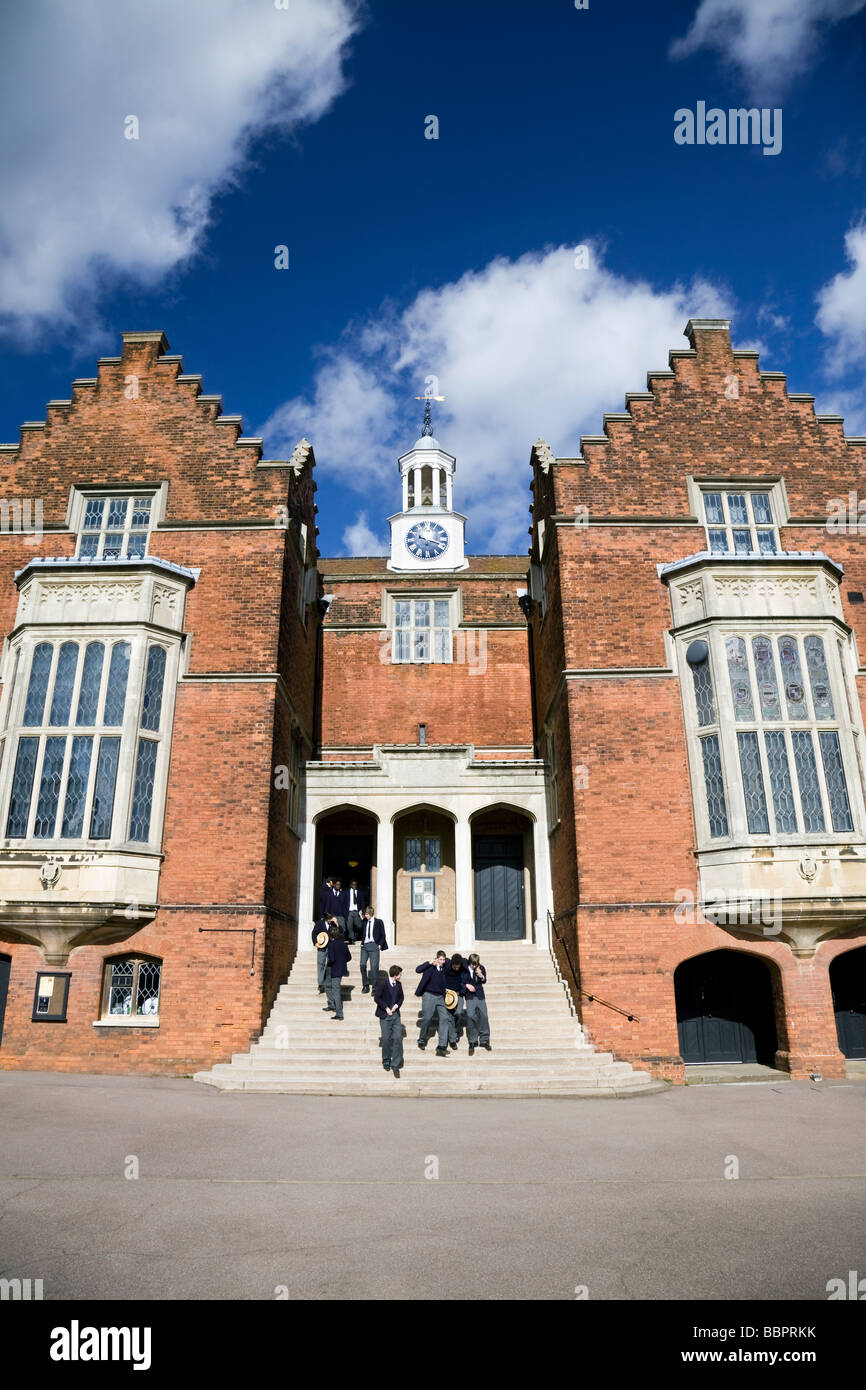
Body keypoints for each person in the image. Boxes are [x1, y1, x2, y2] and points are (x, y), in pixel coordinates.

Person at [415, 951, 450, 1056]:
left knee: (444, 1018)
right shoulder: (430, 967)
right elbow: (417, 970)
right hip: (429, 995)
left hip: (440, 997)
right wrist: (429, 963)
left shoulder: (444, 968)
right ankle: (422, 1039)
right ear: (436, 959)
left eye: (444, 960)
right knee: (427, 1017)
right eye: (440, 960)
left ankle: (441, 1046)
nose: (442, 962)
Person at [374, 965, 404, 1078]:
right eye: (400, 974)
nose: (401, 976)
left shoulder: (399, 985)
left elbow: (401, 998)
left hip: (395, 1015)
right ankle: (386, 1060)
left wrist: (396, 1005)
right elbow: (377, 998)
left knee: (397, 1037)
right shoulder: (383, 984)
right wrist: (386, 1008)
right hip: (385, 1015)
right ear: (395, 975)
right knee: (386, 1038)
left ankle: (395, 1064)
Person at [323, 923, 351, 1020]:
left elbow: (332, 958)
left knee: (335, 991)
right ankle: (332, 1005)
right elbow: (349, 957)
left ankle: (339, 1013)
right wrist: (341, 961)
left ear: (330, 935)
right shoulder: (343, 944)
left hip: (333, 968)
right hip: (340, 968)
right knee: (327, 985)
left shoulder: (331, 944)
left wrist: (331, 960)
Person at [464, 953, 490, 1054]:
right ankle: (473, 1041)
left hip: (479, 995)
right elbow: (460, 981)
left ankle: (484, 1040)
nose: (474, 966)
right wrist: (467, 985)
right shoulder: (465, 969)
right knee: (470, 1016)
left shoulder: (481, 967)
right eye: (473, 964)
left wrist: (481, 975)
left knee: (484, 1016)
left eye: (476, 964)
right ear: (470, 962)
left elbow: (484, 980)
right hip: (470, 996)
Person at [443, 952, 469, 1050]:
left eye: (458, 967)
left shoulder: (463, 965)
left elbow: (469, 961)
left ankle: (456, 1031)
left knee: (459, 1012)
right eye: (455, 967)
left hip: (459, 994)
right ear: (452, 964)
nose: (457, 969)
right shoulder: (447, 967)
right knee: (450, 1016)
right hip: (448, 995)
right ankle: (452, 1040)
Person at [359, 904, 388, 992]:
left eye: (366, 914)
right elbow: (362, 931)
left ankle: (374, 987)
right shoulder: (364, 921)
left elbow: (383, 935)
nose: (365, 915)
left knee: (374, 966)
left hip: (374, 945)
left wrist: (380, 944)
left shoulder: (379, 922)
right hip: (365, 946)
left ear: (370, 914)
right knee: (362, 964)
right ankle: (365, 985)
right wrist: (362, 942)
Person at [311, 915, 335, 993]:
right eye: (329, 919)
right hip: (321, 947)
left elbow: (338, 932)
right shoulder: (319, 923)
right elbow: (314, 933)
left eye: (331, 919)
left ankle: (327, 981)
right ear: (326, 919)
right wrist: (315, 943)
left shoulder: (333, 924)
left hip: (331, 947)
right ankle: (320, 984)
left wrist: (336, 924)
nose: (330, 920)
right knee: (320, 964)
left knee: (329, 965)